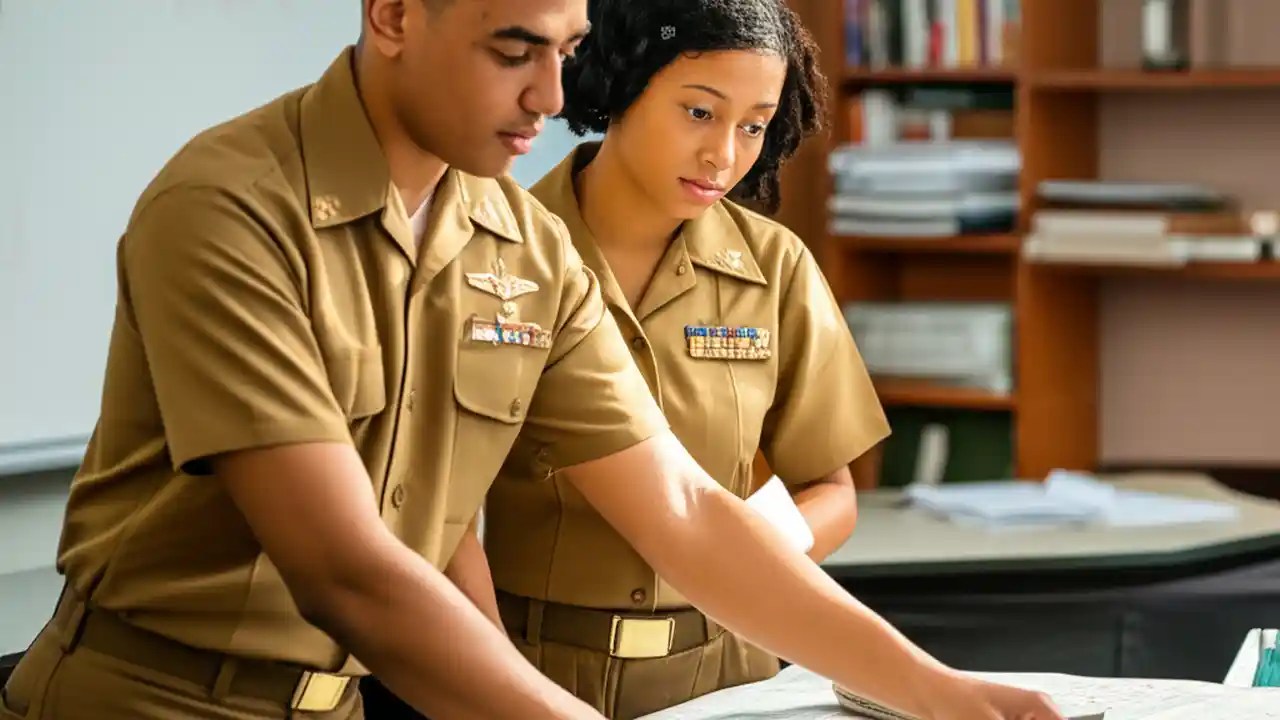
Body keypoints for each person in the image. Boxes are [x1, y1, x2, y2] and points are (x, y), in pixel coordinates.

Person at [0, 1, 1064, 720]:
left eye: (566, 49)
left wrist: (943, 696)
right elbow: (344, 569)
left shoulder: (521, 241)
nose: (553, 98)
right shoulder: (230, 207)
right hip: (153, 699)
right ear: (394, 15)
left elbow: (685, 515)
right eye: (513, 50)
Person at [477, 0, 889, 716]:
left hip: (733, 679)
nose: (724, 155)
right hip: (530, 671)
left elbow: (834, 489)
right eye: (700, 113)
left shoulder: (775, 267)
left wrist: (734, 558)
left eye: (754, 125)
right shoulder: (492, 252)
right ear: (624, 85)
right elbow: (435, 508)